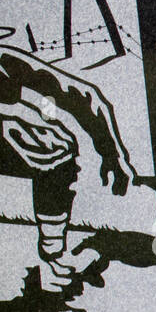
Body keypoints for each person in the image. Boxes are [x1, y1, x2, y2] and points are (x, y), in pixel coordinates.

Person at [0, 41, 134, 281]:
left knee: (54, 149)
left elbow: (81, 94)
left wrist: (111, 153)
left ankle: (53, 254)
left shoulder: (7, 63)